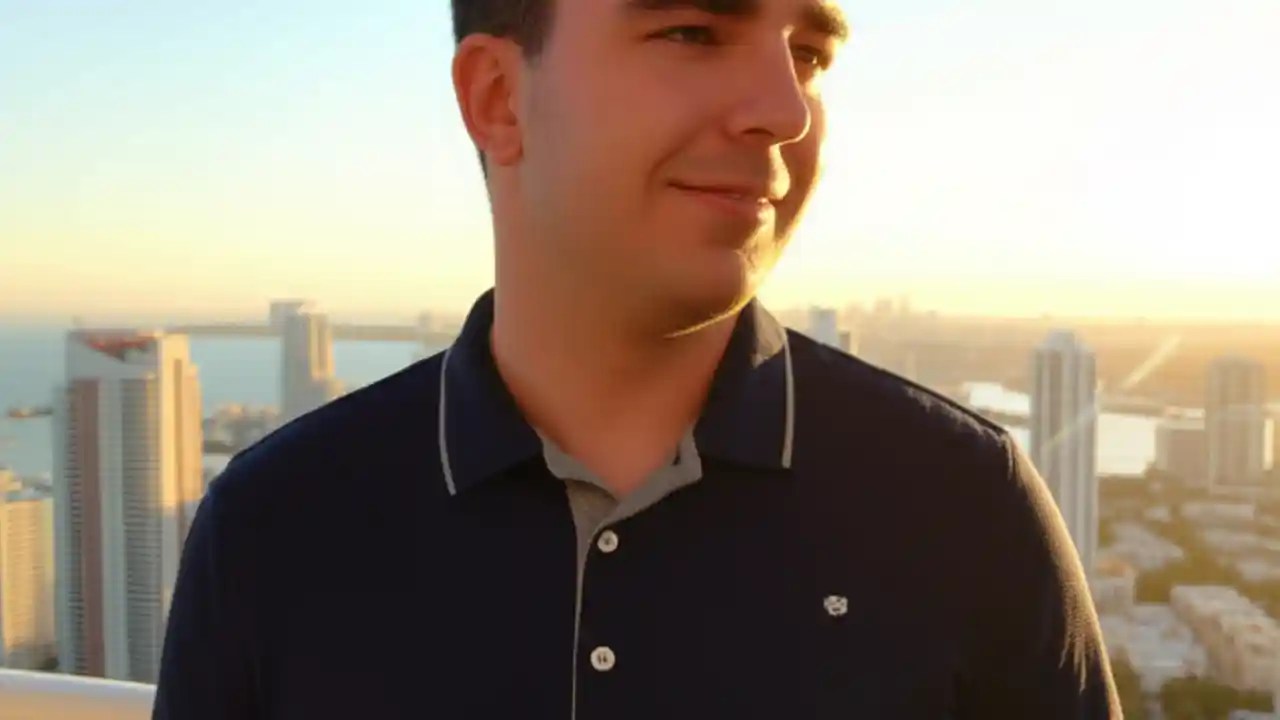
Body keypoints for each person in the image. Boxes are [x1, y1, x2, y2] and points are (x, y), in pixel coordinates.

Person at [153, 0, 1121, 717]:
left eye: (809, 52)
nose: (785, 108)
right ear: (498, 98)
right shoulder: (279, 529)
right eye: (695, 30)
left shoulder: (958, 505)